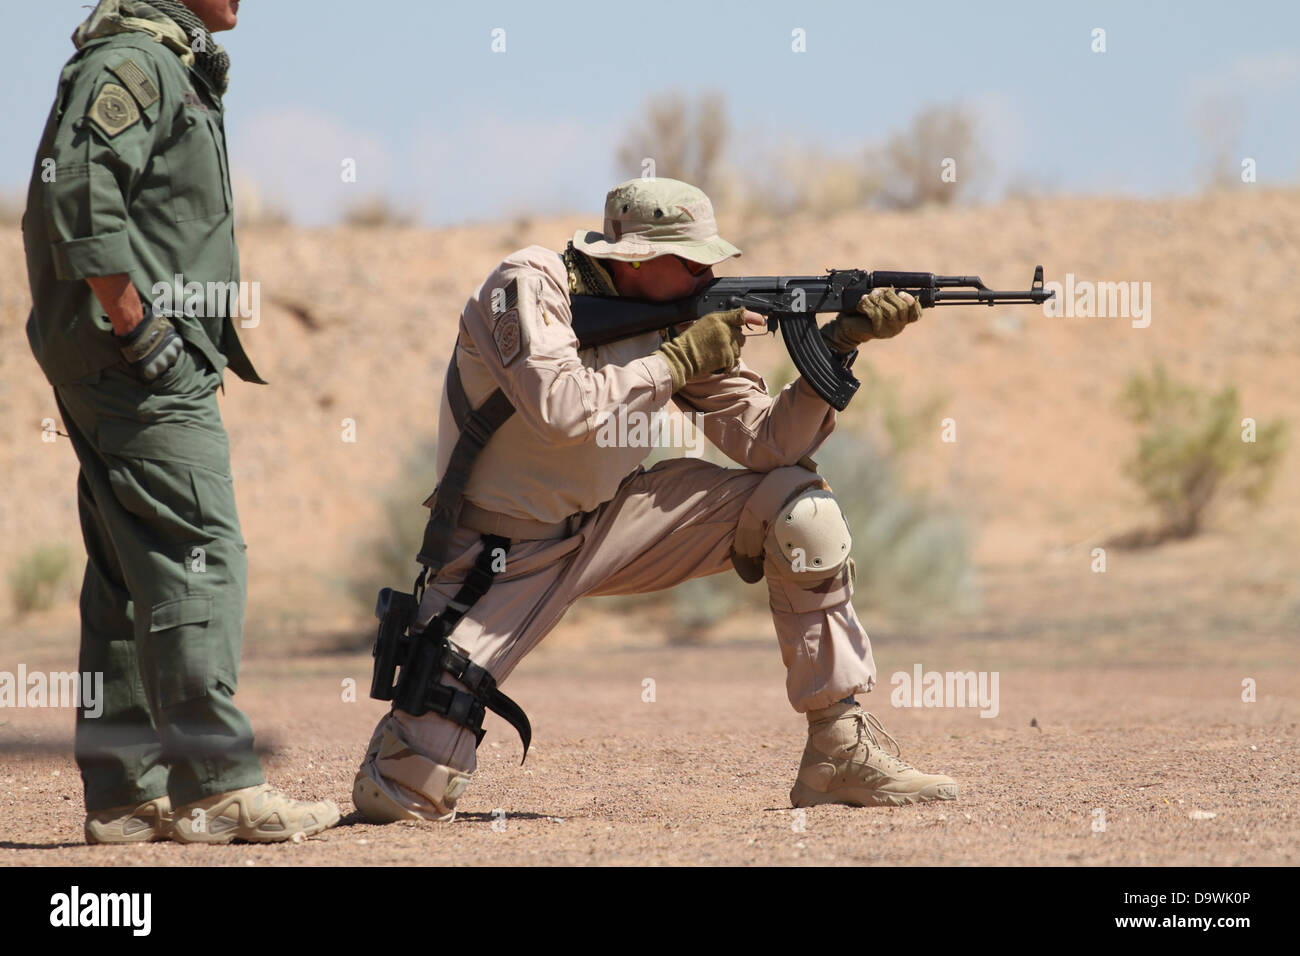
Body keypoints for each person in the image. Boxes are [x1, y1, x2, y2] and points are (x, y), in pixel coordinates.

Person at [353, 177, 958, 823]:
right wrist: (675, 361)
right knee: (405, 798)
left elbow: (768, 444)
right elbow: (559, 409)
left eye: (711, 261)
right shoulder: (530, 284)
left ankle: (838, 753)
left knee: (798, 508)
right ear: (635, 256)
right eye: (692, 261)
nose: (707, 274)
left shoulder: (683, 319)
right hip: (496, 554)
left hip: (614, 525)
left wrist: (836, 349)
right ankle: (405, 762)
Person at [22, 0, 339, 844]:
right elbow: (79, 197)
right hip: (135, 359)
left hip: (122, 353)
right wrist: (138, 326)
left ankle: (128, 793)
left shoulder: (163, 60)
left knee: (131, 568)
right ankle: (218, 783)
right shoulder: (135, 62)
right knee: (201, 549)